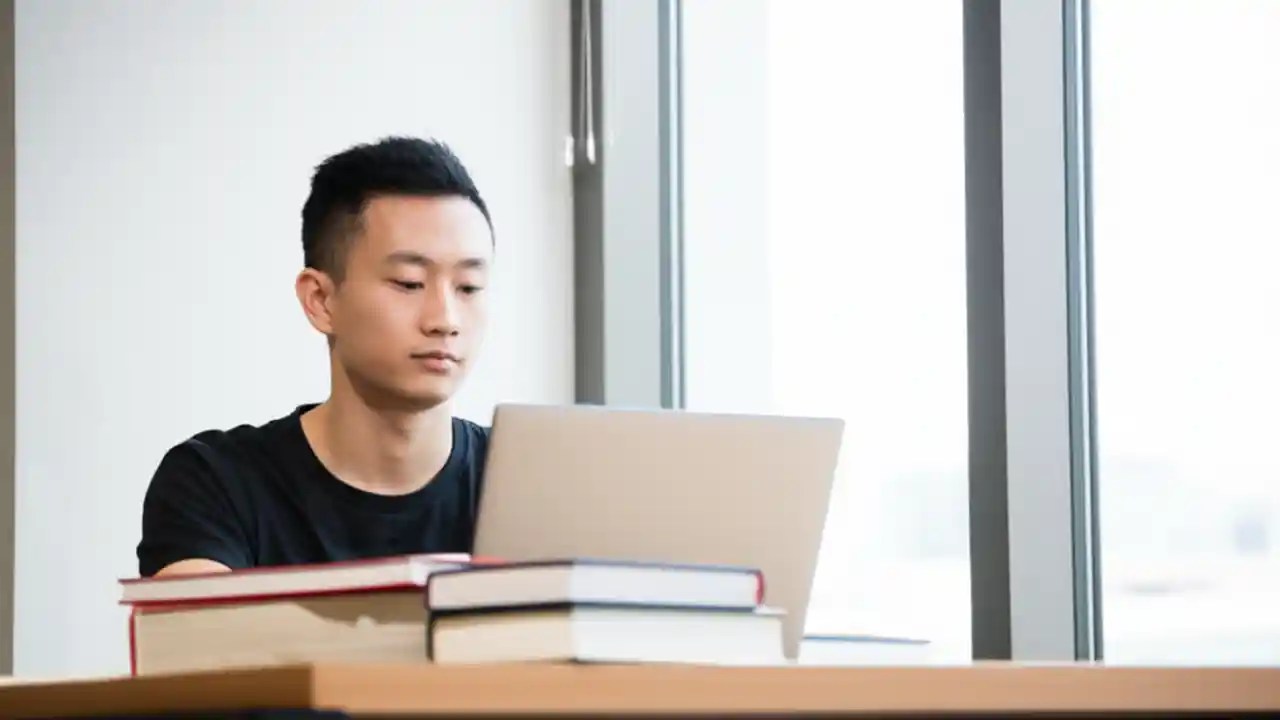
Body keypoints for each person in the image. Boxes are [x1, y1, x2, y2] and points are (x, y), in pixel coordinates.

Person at [136, 137, 495, 577]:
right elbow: (209, 644)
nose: (445, 319)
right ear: (321, 300)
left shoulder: (527, 482)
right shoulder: (217, 483)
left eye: (469, 287)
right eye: (408, 283)